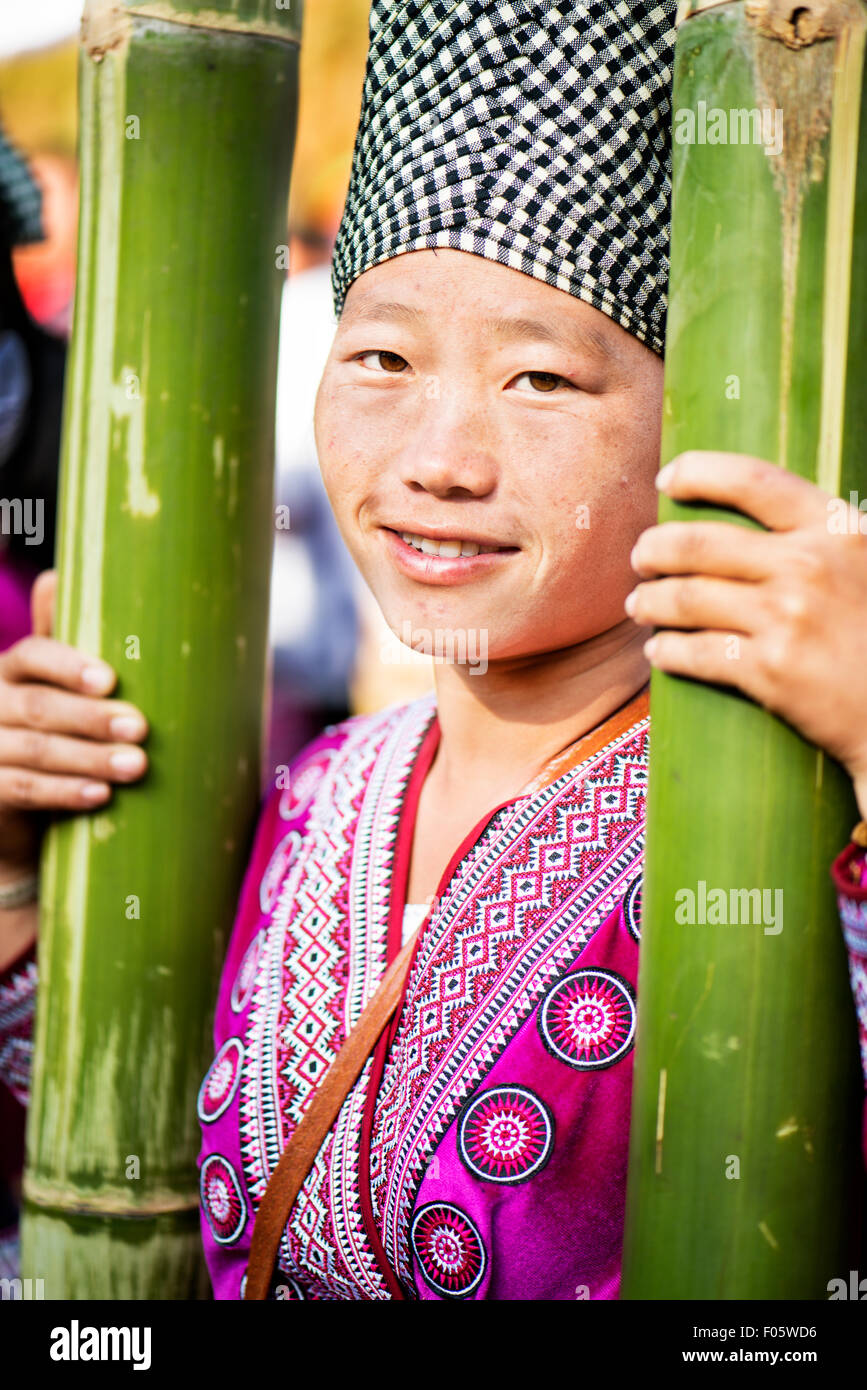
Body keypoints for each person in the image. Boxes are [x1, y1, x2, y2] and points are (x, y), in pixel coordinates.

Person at [1, 0, 866, 1299]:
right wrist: (19, 872)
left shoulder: (792, 811)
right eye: (383, 356)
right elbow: (98, 1182)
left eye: (542, 381)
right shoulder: (323, 785)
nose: (437, 462)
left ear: (694, 415)